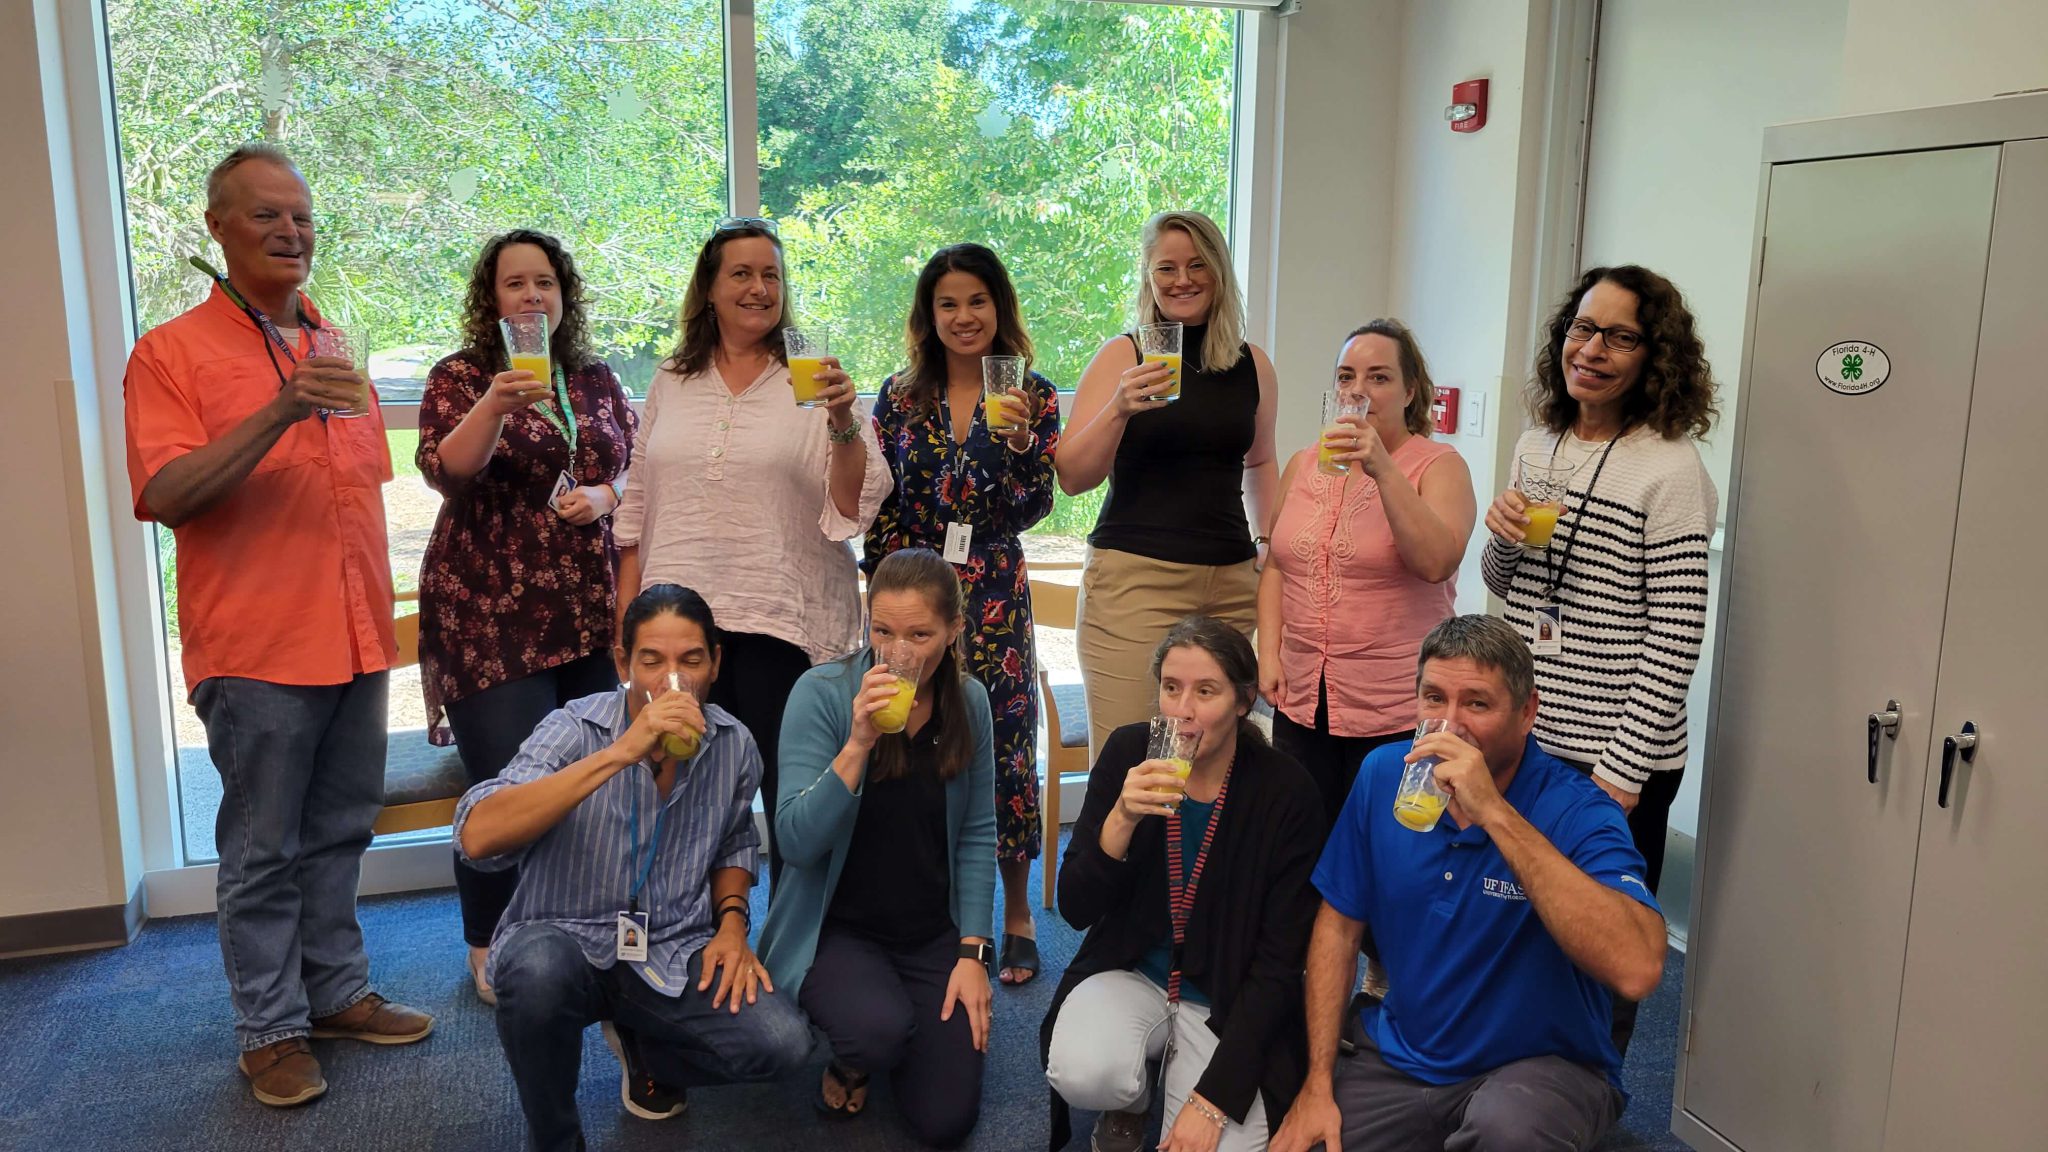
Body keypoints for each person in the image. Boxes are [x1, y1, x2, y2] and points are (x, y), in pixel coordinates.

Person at [122, 143, 432, 1108]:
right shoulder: (170, 353)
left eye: (300, 215)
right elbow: (166, 494)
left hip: (353, 637)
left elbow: (357, 492)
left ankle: (335, 993)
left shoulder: (331, 341)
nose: (291, 232)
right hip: (258, 651)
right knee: (263, 848)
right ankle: (269, 1028)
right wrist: (279, 409)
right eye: (265, 216)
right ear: (218, 227)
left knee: (341, 828)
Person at [1268, 615, 1668, 1152]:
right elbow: (1338, 929)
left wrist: (1496, 814)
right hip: (1404, 1057)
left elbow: (1639, 968)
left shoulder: (1580, 810)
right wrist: (1318, 1083)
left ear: (1527, 712)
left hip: (1541, 1071)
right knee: (1301, 1132)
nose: (1449, 725)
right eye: (1434, 699)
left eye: (1476, 704)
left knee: (1509, 1132)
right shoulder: (1384, 774)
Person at [455, 584, 811, 1152]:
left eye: (691, 660)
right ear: (624, 663)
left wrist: (733, 925)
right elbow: (478, 836)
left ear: (715, 663)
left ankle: (648, 1050)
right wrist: (622, 751)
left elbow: (734, 843)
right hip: (565, 940)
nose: (674, 678)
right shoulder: (573, 729)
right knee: (536, 972)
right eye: (652, 661)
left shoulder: (733, 744)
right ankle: (554, 1138)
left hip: (672, 945)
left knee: (785, 1044)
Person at [1479, 265, 1717, 1053]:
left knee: (1606, 939)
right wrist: (1502, 539)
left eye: (1620, 336)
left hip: (1616, 752)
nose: (1594, 349)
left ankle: (1590, 1089)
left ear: (1656, 356)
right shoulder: (1536, 441)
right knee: (1518, 912)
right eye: (1584, 328)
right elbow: (1505, 587)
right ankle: (1512, 1066)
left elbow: (1677, 634)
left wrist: (1621, 770)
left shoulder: (1671, 468)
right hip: (1532, 734)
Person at [613, 218, 891, 885]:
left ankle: (799, 952)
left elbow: (851, 505)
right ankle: (690, 939)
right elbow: (639, 501)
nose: (759, 288)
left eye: (771, 275)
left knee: (789, 799)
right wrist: (628, 622)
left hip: (778, 619)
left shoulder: (813, 376)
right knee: (680, 793)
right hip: (681, 627)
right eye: (741, 273)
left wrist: (843, 422)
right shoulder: (673, 379)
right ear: (709, 288)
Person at [416, 229, 637, 1005]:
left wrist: (606, 496)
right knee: (506, 791)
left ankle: (571, 930)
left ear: (563, 294)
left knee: (587, 782)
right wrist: (495, 404)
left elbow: (632, 468)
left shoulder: (596, 378)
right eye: (515, 284)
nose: (532, 296)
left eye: (545, 282)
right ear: (492, 299)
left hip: (583, 614)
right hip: (489, 617)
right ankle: (487, 942)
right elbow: (449, 470)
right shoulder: (462, 377)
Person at [1043, 616, 1324, 1152]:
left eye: (1206, 691)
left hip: (1227, 996)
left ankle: (1187, 1083)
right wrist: (1121, 818)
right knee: (1082, 1070)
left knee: (1224, 1144)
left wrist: (1211, 1101)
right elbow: (1075, 906)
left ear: (1243, 702)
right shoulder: (1131, 752)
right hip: (1133, 973)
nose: (1183, 711)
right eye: (1171, 688)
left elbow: (1279, 964)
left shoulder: (1286, 791)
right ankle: (1131, 1100)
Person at [862, 243, 1061, 986]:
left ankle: (1015, 914)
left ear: (998, 307)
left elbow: (1036, 504)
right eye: (948, 303)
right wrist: (881, 594)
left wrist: (1014, 450)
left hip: (994, 595)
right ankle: (920, 904)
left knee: (1003, 742)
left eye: (976, 300)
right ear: (929, 315)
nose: (963, 316)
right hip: (913, 592)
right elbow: (878, 499)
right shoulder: (898, 395)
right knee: (907, 737)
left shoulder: (1030, 394)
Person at [760, 549, 997, 1148]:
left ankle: (900, 1017)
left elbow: (976, 835)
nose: (901, 651)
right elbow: (794, 840)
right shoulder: (822, 693)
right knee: (876, 1033)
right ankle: (853, 1055)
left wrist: (972, 952)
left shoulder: (968, 703)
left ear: (953, 630)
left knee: (944, 1122)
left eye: (920, 634)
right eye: (883, 631)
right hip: (836, 925)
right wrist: (857, 745)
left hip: (928, 929)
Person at [1056, 210, 1280, 764]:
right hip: (1136, 583)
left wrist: (1272, 551)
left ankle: (1198, 859)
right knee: (1131, 759)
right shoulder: (1124, 356)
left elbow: (1261, 463)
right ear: (1148, 278)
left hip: (1230, 584)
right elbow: (1071, 476)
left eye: (1197, 264)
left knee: (1210, 762)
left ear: (1220, 271)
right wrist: (1119, 409)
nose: (1183, 279)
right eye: (1167, 268)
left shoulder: (1254, 364)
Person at [1257, 320, 1475, 822]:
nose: (1358, 391)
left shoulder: (1439, 466)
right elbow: (1276, 566)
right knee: (1305, 840)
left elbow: (1436, 561)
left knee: (1386, 849)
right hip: (1303, 695)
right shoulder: (1304, 462)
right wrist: (1268, 653)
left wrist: (1382, 468)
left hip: (1395, 703)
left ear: (1410, 391)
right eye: (1346, 377)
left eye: (1378, 378)